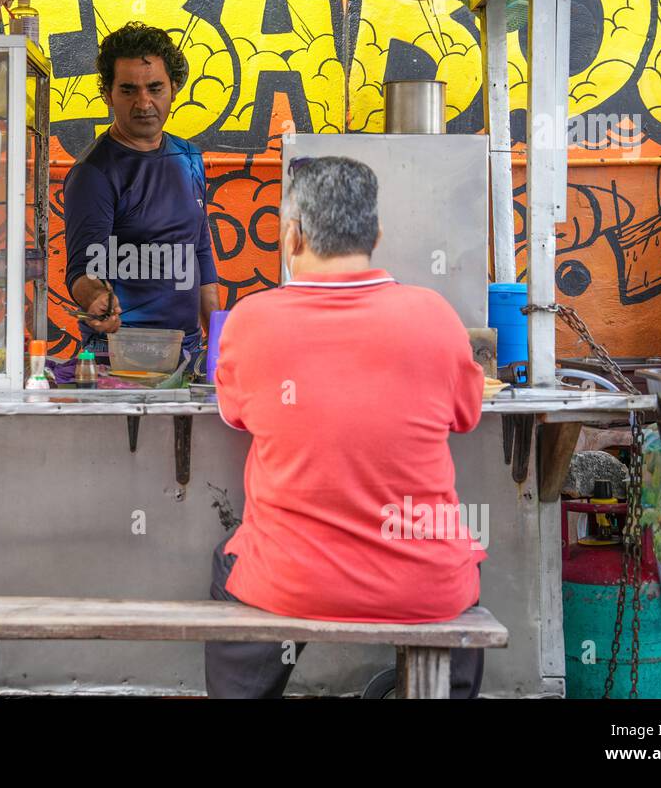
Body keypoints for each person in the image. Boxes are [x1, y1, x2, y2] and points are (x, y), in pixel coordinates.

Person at [206, 156, 486, 698]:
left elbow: (235, 413)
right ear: (376, 235)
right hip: (424, 579)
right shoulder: (436, 316)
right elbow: (466, 415)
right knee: (458, 571)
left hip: (290, 577)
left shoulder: (249, 321)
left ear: (292, 237)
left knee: (231, 561)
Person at [63, 22, 219, 359]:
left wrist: (217, 341)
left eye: (155, 87)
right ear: (108, 94)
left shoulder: (189, 157)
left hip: (185, 351)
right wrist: (96, 299)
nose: (144, 102)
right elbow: (81, 270)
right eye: (128, 90)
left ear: (174, 88)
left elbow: (200, 251)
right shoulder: (94, 172)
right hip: (119, 354)